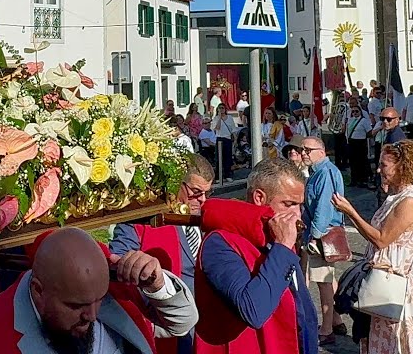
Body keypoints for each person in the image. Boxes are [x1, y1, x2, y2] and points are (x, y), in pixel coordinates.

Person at [0, 227, 197, 354]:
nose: (91, 314)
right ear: (38, 291)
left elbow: (181, 323)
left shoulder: (112, 295)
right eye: (75, 306)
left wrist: (157, 284)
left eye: (98, 299)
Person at [194, 159, 318, 354]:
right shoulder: (219, 243)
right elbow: (253, 310)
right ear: (259, 198)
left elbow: (300, 309)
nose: (297, 215)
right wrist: (283, 247)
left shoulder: (277, 235)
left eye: (300, 206)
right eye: (289, 204)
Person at [333, 140, 413, 354]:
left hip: (399, 286)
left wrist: (351, 212)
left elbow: (382, 239)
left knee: (399, 339)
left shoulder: (409, 202)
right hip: (383, 281)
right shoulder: (394, 197)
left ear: (403, 167)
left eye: (385, 165)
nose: (379, 169)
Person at [109, 154, 213, 354]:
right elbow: (119, 263)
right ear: (177, 182)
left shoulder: (206, 220)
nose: (202, 200)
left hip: (206, 330)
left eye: (207, 193)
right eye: (196, 192)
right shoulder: (142, 221)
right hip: (167, 328)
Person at [301, 137, 346, 345]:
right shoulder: (319, 171)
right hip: (321, 232)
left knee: (323, 282)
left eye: (307, 150)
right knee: (328, 279)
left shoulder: (324, 173)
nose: (303, 153)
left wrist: (315, 236)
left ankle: (327, 328)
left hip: (323, 234)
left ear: (321, 151)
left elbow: (324, 207)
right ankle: (336, 320)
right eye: (303, 149)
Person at [346, 101, 374, 188]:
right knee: (352, 162)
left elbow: (369, 132)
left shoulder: (364, 121)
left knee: (361, 162)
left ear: (360, 112)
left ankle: (363, 180)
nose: (354, 113)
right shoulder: (350, 120)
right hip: (351, 142)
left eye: (356, 111)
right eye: (353, 111)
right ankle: (354, 180)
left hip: (360, 142)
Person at [211, 104, 236, 181]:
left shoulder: (230, 118)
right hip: (219, 138)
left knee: (227, 158)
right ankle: (219, 176)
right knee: (219, 158)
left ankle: (228, 175)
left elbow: (233, 130)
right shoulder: (215, 118)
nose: (221, 110)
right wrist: (219, 117)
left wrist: (235, 140)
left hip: (227, 138)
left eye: (223, 108)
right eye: (220, 108)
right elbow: (216, 128)